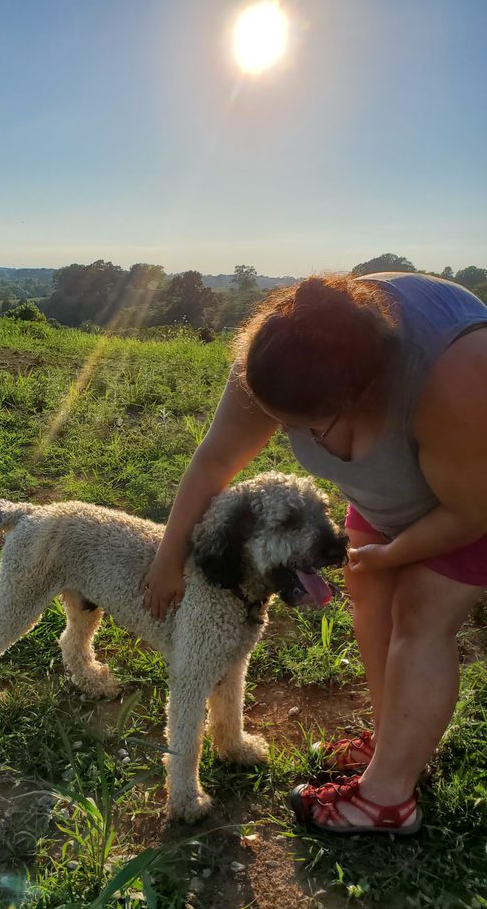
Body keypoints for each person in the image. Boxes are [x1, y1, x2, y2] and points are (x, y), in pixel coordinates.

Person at [141, 272, 487, 834]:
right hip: (387, 498)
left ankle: (388, 801)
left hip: (474, 498)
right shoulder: (279, 354)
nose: (295, 435)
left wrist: (396, 552)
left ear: (363, 393)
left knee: (420, 616)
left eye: (308, 426)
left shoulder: (455, 376)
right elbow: (213, 462)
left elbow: (470, 514)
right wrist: (167, 557)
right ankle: (393, 740)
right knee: (371, 605)